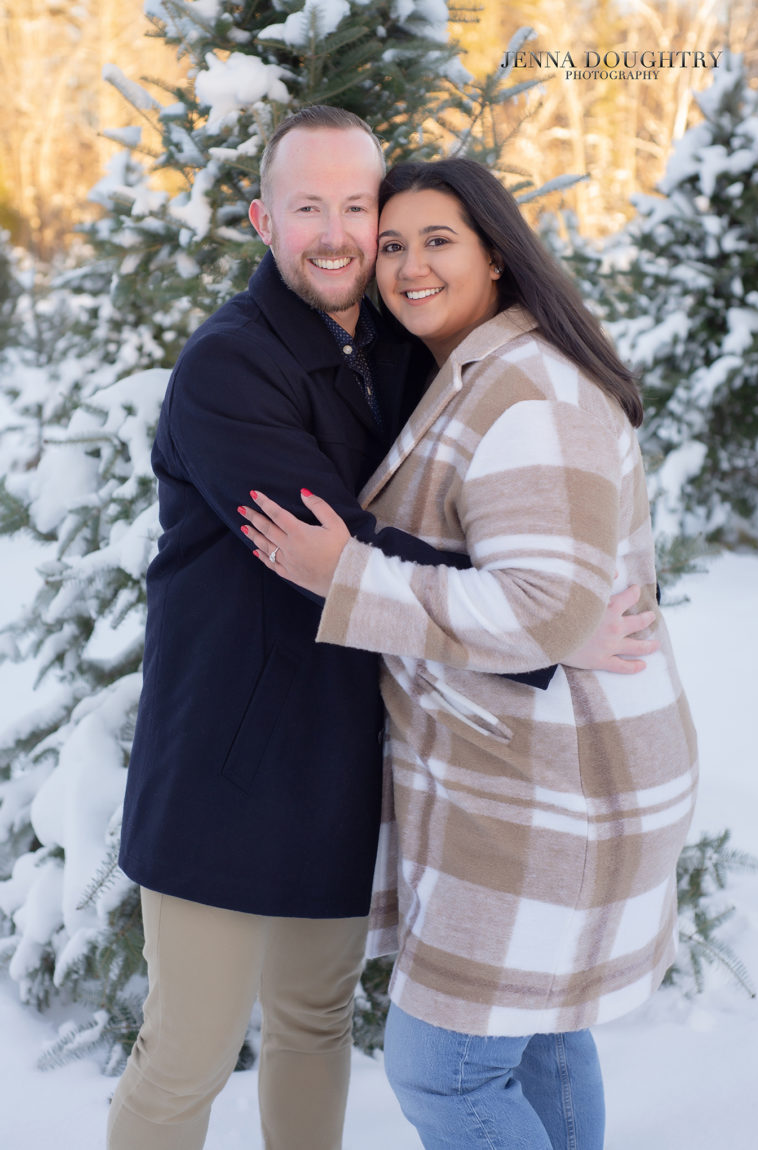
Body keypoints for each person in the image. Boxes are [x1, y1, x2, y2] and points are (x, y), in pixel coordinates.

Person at [111, 105, 655, 1150]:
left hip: (344, 764)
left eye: (356, 207)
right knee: (187, 1051)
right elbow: (342, 546)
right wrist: (545, 622)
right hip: (226, 767)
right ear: (263, 220)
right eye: (307, 206)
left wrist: (545, 608)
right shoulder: (229, 369)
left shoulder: (398, 349)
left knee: (315, 1024)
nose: (335, 232)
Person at [238, 158, 698, 1150]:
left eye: (436, 240)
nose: (406, 265)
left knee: (443, 1070)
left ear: (495, 250)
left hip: (555, 793)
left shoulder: (529, 393)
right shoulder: (480, 368)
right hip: (526, 776)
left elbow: (544, 607)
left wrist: (343, 575)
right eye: (392, 243)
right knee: (538, 1041)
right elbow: (553, 601)